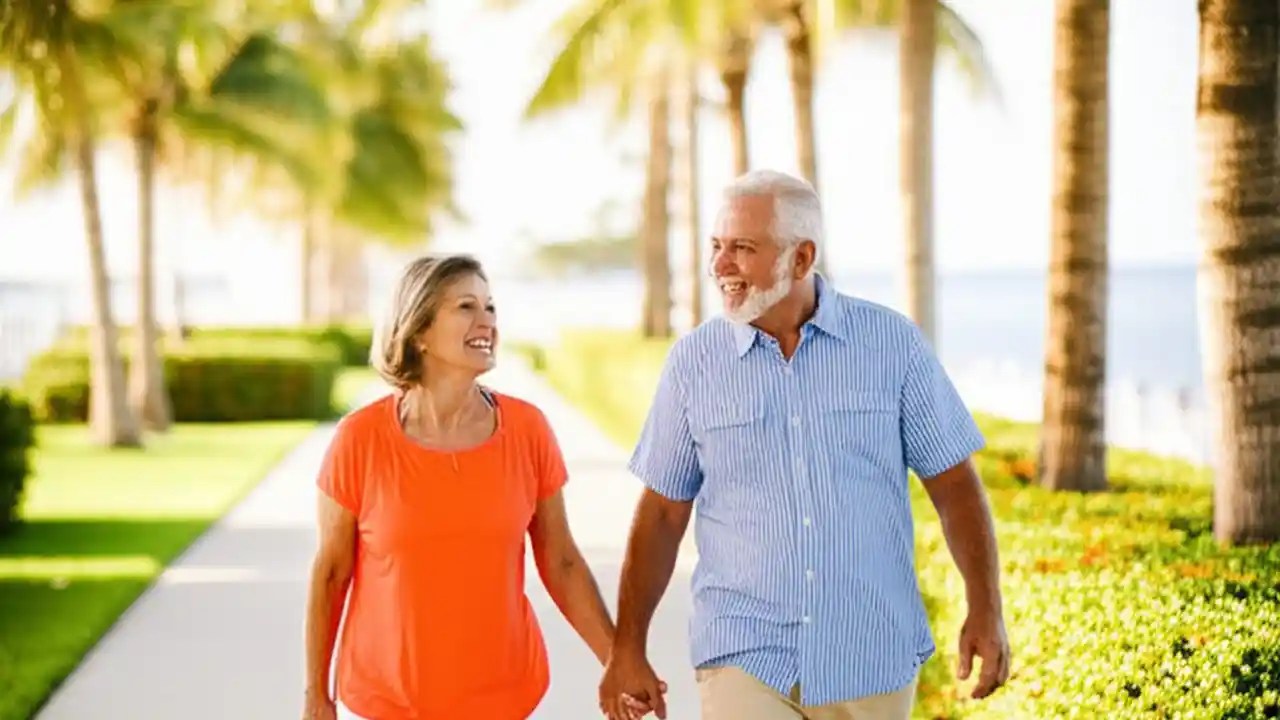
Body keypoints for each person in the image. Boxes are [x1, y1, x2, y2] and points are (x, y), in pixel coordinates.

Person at [598, 169, 1011, 720]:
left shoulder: (891, 345)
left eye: (743, 248)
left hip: (871, 656)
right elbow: (662, 513)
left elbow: (953, 484)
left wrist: (985, 606)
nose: (720, 265)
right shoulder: (694, 363)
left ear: (801, 258)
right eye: (717, 246)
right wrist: (627, 648)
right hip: (745, 652)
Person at [302, 254, 652, 719]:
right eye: (466, 307)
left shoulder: (527, 429)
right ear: (419, 330)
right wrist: (317, 695)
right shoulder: (360, 439)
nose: (486, 321)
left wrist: (618, 660)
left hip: (502, 699)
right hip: (386, 702)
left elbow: (562, 561)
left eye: (490, 307)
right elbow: (331, 572)